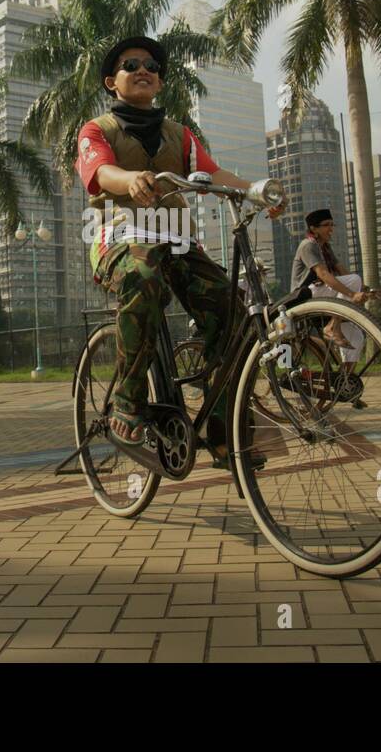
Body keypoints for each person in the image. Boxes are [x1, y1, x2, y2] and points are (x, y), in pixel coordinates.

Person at [76, 34, 285, 470]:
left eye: (151, 65)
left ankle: (226, 432)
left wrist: (258, 191)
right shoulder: (97, 130)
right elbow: (102, 171)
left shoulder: (180, 134)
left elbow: (212, 173)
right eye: (130, 65)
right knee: (143, 278)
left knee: (235, 312)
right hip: (120, 236)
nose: (143, 70)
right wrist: (129, 181)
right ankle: (127, 403)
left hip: (176, 239)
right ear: (110, 82)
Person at [291, 207, 376, 381]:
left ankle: (343, 383)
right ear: (313, 229)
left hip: (321, 292)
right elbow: (323, 274)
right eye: (326, 225)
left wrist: (365, 289)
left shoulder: (325, 247)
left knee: (356, 337)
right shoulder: (308, 245)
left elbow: (341, 271)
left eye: (332, 225)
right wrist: (352, 294)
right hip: (305, 294)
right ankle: (332, 327)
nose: (331, 229)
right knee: (354, 280)